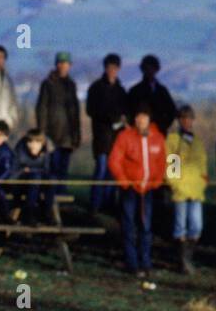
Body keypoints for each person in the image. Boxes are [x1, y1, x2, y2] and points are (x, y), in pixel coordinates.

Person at [108, 104, 167, 277]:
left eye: (144, 117)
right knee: (128, 225)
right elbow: (114, 160)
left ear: (149, 119)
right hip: (130, 189)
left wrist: (161, 180)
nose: (141, 120)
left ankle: (146, 263)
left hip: (148, 189)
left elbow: (166, 160)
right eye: (138, 117)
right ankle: (132, 263)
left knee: (146, 226)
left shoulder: (158, 138)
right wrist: (123, 180)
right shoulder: (125, 136)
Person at [35, 51, 79, 213]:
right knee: (51, 170)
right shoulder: (48, 84)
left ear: (70, 66)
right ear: (56, 65)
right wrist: (42, 133)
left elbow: (74, 112)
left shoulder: (71, 85)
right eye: (60, 63)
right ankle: (49, 205)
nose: (63, 66)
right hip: (51, 135)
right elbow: (42, 108)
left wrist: (76, 136)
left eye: (66, 64)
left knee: (63, 171)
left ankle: (61, 204)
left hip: (67, 137)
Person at [165, 104, 207, 274]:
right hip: (181, 190)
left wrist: (202, 182)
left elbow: (202, 165)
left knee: (196, 226)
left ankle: (189, 257)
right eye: (183, 118)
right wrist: (176, 185)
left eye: (189, 118)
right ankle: (182, 261)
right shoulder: (173, 140)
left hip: (196, 191)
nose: (186, 121)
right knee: (180, 226)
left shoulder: (197, 141)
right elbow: (172, 166)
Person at [85, 52, 127, 214]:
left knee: (112, 173)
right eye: (110, 67)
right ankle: (95, 205)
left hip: (117, 140)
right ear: (105, 68)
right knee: (101, 171)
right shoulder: (96, 88)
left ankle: (108, 205)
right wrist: (110, 117)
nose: (112, 70)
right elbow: (91, 110)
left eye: (115, 68)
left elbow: (126, 113)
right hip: (102, 139)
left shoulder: (121, 91)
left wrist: (121, 120)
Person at [127, 54, 177, 134]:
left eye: (152, 68)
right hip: (138, 133)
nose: (149, 71)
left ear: (156, 70)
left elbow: (172, 111)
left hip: (158, 133)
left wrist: (162, 126)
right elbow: (129, 113)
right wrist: (136, 127)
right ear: (143, 70)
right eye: (147, 69)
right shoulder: (134, 91)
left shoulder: (162, 91)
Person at [12, 128, 51, 224]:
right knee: (35, 178)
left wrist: (32, 170)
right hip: (21, 184)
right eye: (30, 142)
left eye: (37, 142)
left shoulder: (45, 153)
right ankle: (30, 213)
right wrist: (26, 171)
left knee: (50, 180)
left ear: (42, 143)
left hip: (38, 183)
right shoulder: (20, 151)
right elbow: (14, 171)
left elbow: (47, 170)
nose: (33, 145)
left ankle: (46, 213)